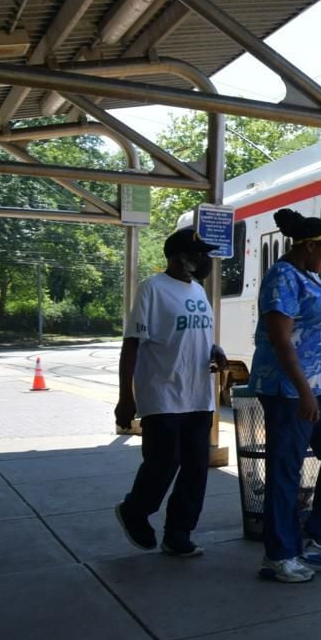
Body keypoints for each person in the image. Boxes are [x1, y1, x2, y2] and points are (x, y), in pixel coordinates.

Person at [249, 208, 321, 583]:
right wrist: (303, 391)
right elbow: (281, 340)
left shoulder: (307, 275)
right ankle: (279, 555)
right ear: (310, 246)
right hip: (291, 392)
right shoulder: (282, 277)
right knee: (286, 468)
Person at [114, 228, 228, 557]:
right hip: (161, 393)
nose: (207, 261)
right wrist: (126, 396)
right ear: (181, 258)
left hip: (198, 396)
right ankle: (135, 510)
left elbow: (196, 335)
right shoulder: (152, 289)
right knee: (163, 463)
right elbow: (132, 344)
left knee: (195, 469)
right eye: (201, 255)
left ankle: (178, 534)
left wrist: (215, 349)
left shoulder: (198, 291)